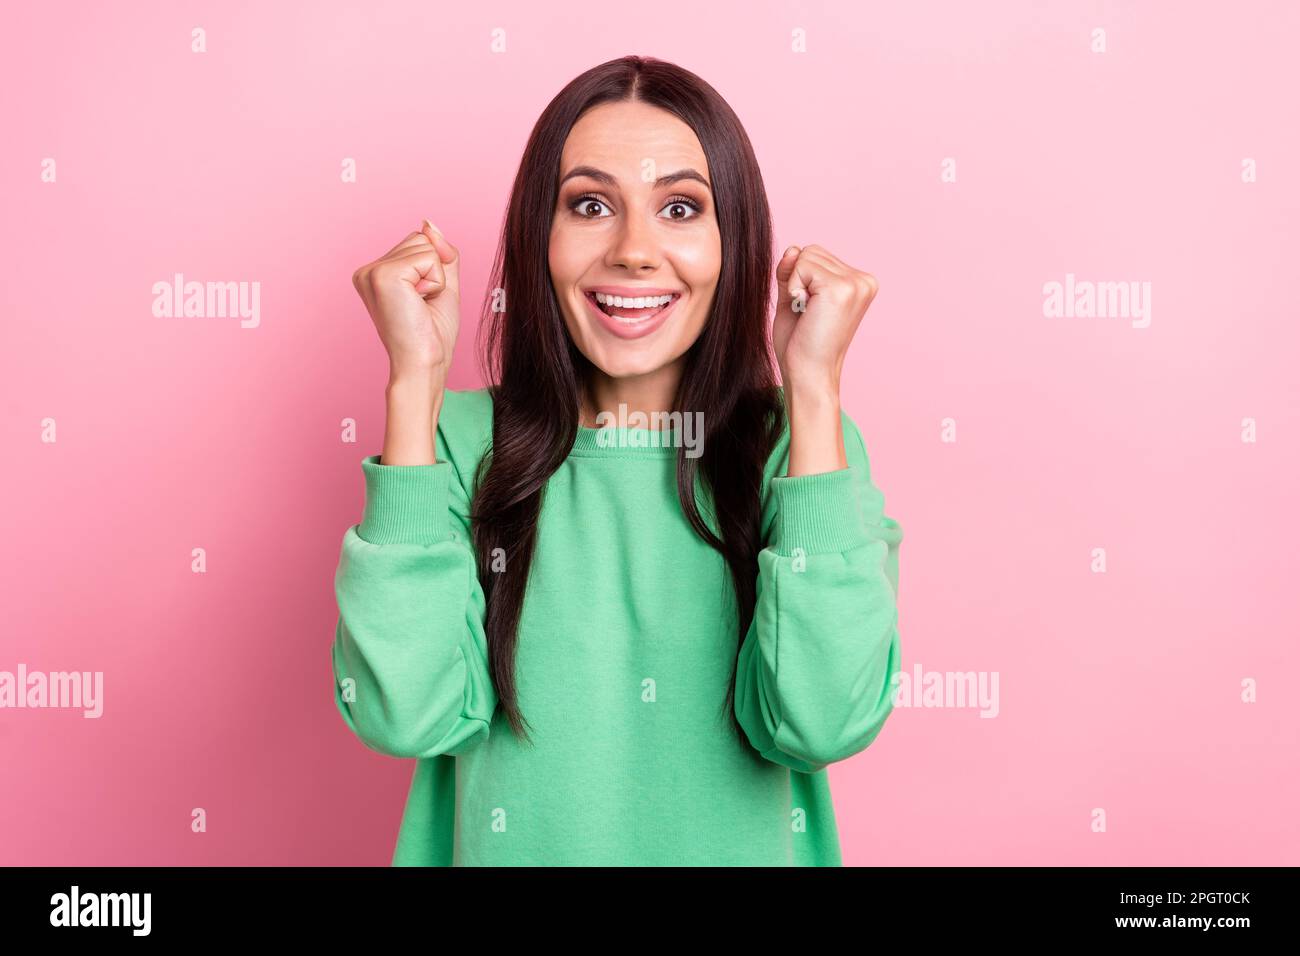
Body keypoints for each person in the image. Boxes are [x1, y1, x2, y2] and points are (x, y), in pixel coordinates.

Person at [332, 54, 903, 866]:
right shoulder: (452, 444)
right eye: (592, 204)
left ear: (733, 242)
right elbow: (404, 715)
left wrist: (811, 393)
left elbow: (820, 723)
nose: (635, 251)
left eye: (679, 207)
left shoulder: (801, 451)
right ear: (541, 238)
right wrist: (412, 385)